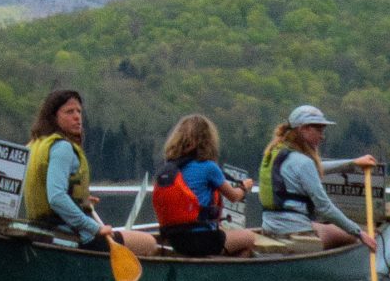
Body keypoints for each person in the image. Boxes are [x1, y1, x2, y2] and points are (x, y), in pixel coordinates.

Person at [21, 89, 157, 256]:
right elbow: (56, 198)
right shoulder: (62, 147)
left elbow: (49, 190)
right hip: (69, 233)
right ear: (53, 116)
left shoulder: (33, 145)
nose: (77, 117)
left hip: (40, 228)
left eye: (79, 111)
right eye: (69, 112)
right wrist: (95, 228)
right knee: (149, 243)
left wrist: (80, 200)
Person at [254, 104, 374, 250]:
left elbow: (312, 169)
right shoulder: (303, 162)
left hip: (270, 229)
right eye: (318, 130)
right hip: (294, 231)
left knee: (326, 228)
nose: (322, 136)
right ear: (303, 129)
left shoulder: (274, 153)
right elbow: (325, 208)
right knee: (348, 235)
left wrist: (352, 163)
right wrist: (359, 233)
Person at [149, 113, 260, 256]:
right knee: (250, 238)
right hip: (202, 240)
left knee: (236, 243)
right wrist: (245, 187)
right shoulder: (209, 167)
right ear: (208, 141)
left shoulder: (169, 169)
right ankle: (226, 275)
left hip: (176, 240)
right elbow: (234, 196)